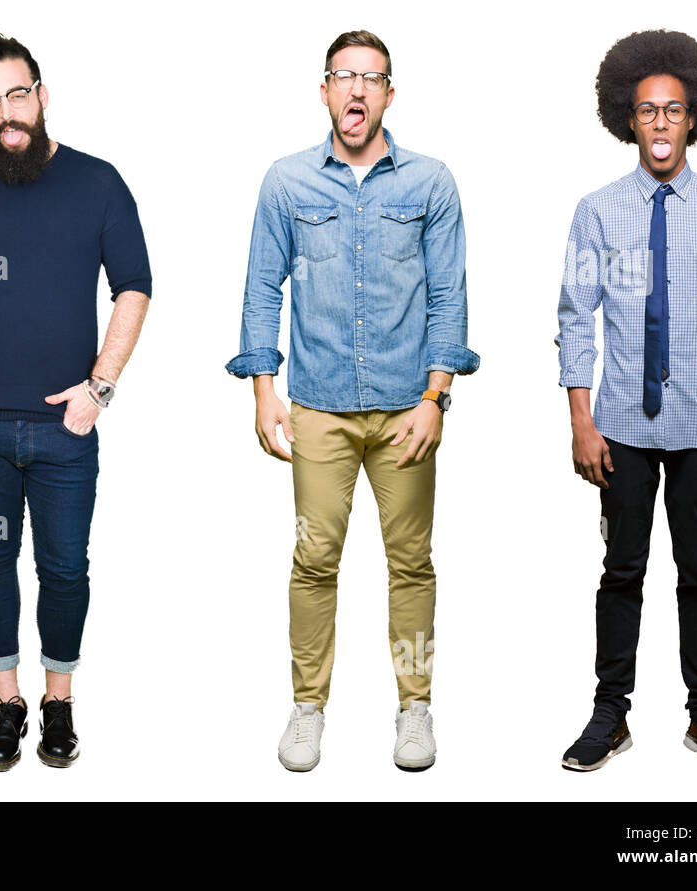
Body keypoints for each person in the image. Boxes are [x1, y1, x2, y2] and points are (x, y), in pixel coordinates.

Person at [226, 30, 478, 772]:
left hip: (407, 410)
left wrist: (436, 397)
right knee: (314, 559)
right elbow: (261, 287)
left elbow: (449, 296)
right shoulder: (287, 182)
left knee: (412, 562)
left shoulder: (429, 183)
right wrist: (263, 389)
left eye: (372, 77)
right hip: (319, 409)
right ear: (325, 91)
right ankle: (307, 707)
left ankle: (415, 705)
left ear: (389, 94)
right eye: (344, 75)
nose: (357, 89)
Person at [0, 33, 152, 771]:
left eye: (17, 95)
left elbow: (134, 286)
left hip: (66, 430)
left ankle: (59, 700)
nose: (6, 112)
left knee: (65, 567)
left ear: (42, 97)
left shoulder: (98, 182)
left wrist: (100, 387)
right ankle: (7, 700)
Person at [556, 29, 697, 772]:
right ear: (629, 118)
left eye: (674, 109)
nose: (662, 122)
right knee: (622, 571)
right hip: (621, 427)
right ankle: (610, 712)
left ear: (694, 117)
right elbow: (575, 316)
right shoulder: (598, 212)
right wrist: (581, 422)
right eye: (648, 110)